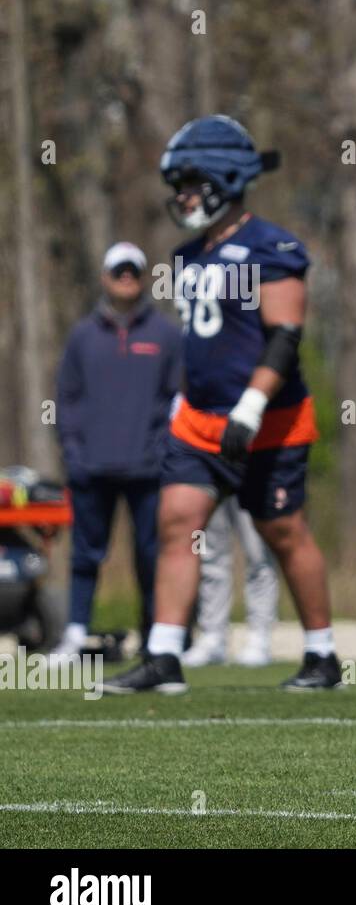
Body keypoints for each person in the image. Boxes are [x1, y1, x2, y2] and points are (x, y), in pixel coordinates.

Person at [103, 115, 340, 694]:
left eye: (189, 184)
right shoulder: (187, 256)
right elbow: (201, 340)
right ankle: (164, 656)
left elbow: (285, 335)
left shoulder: (273, 247)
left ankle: (323, 654)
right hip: (201, 422)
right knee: (176, 523)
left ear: (223, 181)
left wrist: (252, 406)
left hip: (269, 422)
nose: (180, 197)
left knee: (283, 532)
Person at [50, 242, 182, 661]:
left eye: (133, 271)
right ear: (105, 277)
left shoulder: (166, 335)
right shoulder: (82, 336)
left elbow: (179, 399)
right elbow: (65, 398)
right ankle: (74, 635)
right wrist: (72, 450)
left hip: (149, 470)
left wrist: (164, 451)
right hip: (91, 467)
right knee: (86, 555)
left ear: (143, 277)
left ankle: (154, 637)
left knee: (151, 556)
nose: (126, 277)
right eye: (118, 271)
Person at [182, 496, 279, 668]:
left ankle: (260, 637)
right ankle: (212, 637)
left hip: (251, 474)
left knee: (259, 556)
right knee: (208, 556)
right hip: (212, 476)